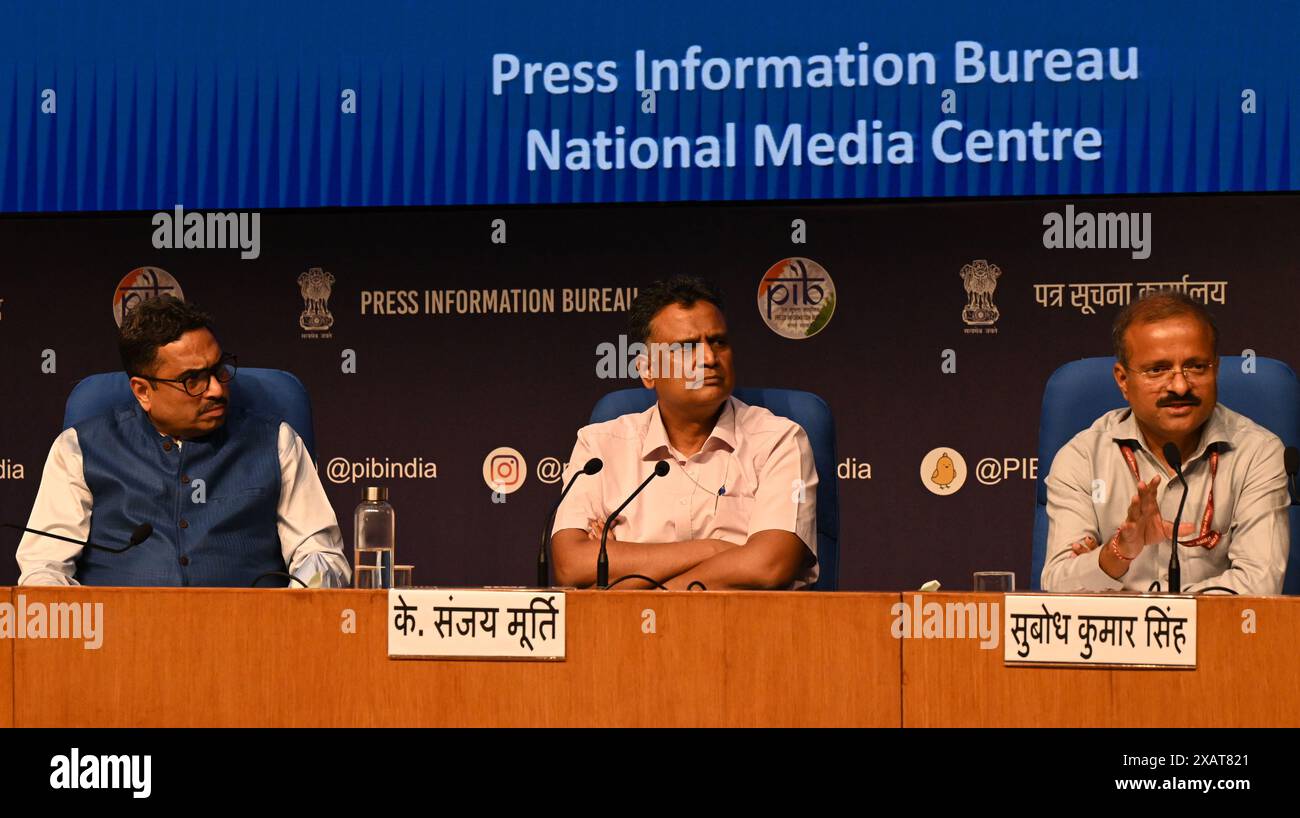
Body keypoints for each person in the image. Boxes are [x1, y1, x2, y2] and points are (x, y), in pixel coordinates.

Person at [16, 296, 350, 587]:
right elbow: (43, 570)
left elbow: (321, 555)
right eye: (193, 380)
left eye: (219, 369)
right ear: (143, 391)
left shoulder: (276, 442)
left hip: (251, 643)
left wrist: (293, 612)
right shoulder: (78, 449)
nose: (217, 390)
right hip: (116, 648)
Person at [550, 275, 818, 590]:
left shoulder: (779, 441)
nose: (709, 358)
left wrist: (624, 586)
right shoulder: (600, 446)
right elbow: (572, 564)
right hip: (626, 638)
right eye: (687, 347)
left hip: (745, 632)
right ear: (648, 370)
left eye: (718, 342)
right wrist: (716, 549)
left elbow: (769, 565)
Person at [1042, 291, 1289, 594]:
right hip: (1110, 641)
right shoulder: (1082, 457)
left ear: (1216, 369)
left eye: (1197, 366)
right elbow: (1057, 586)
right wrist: (1117, 554)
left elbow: (1259, 586)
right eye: (1157, 369)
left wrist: (1156, 613)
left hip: (1219, 639)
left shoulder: (1257, 454)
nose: (1180, 385)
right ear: (1122, 380)